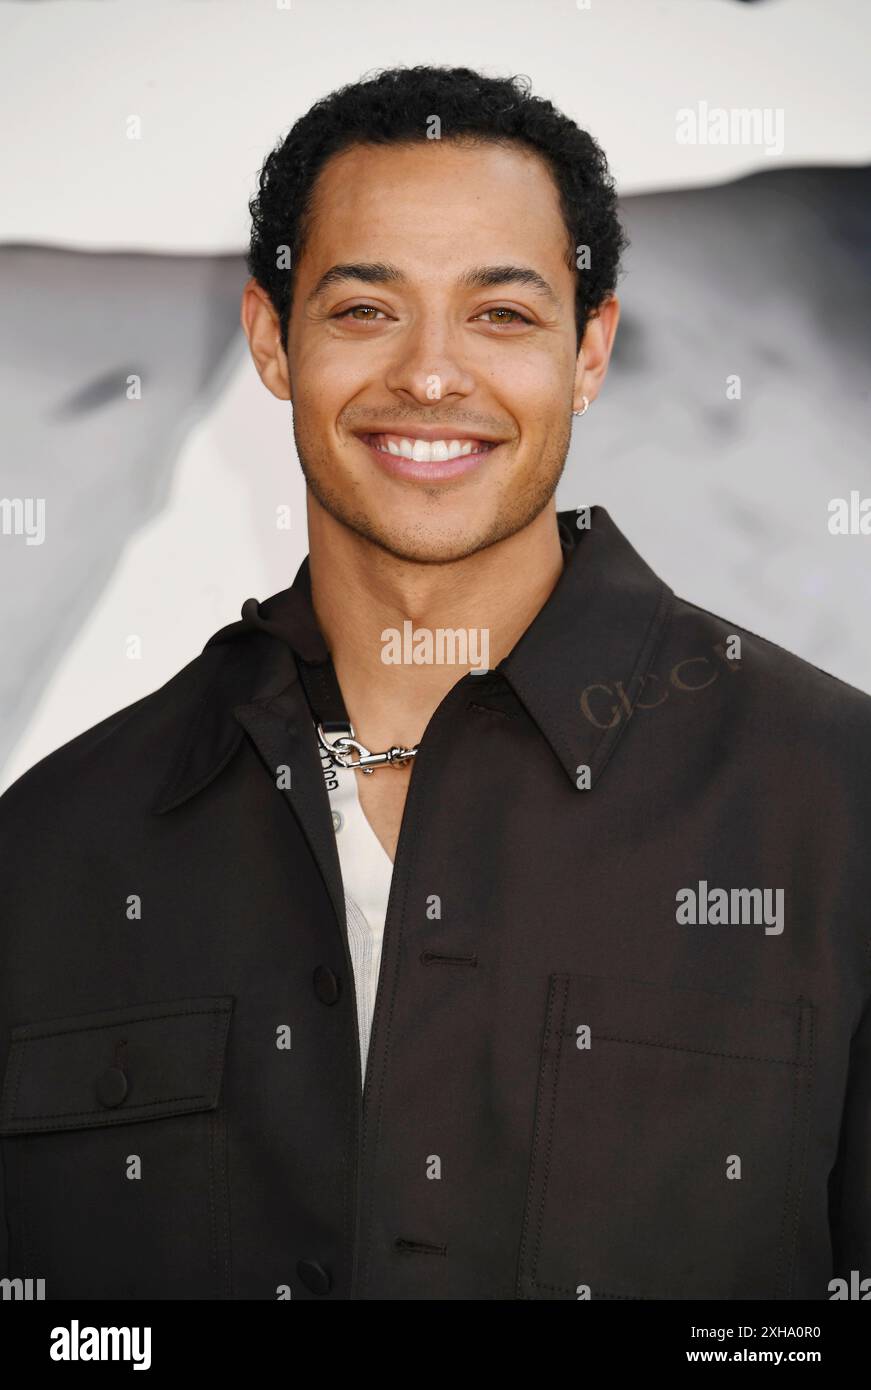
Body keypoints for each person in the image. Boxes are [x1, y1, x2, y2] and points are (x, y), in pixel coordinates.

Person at [1, 65, 869, 1302]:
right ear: (270, 338)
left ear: (590, 350)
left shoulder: (834, 803)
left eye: (503, 316)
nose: (429, 375)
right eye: (364, 310)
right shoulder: (52, 847)